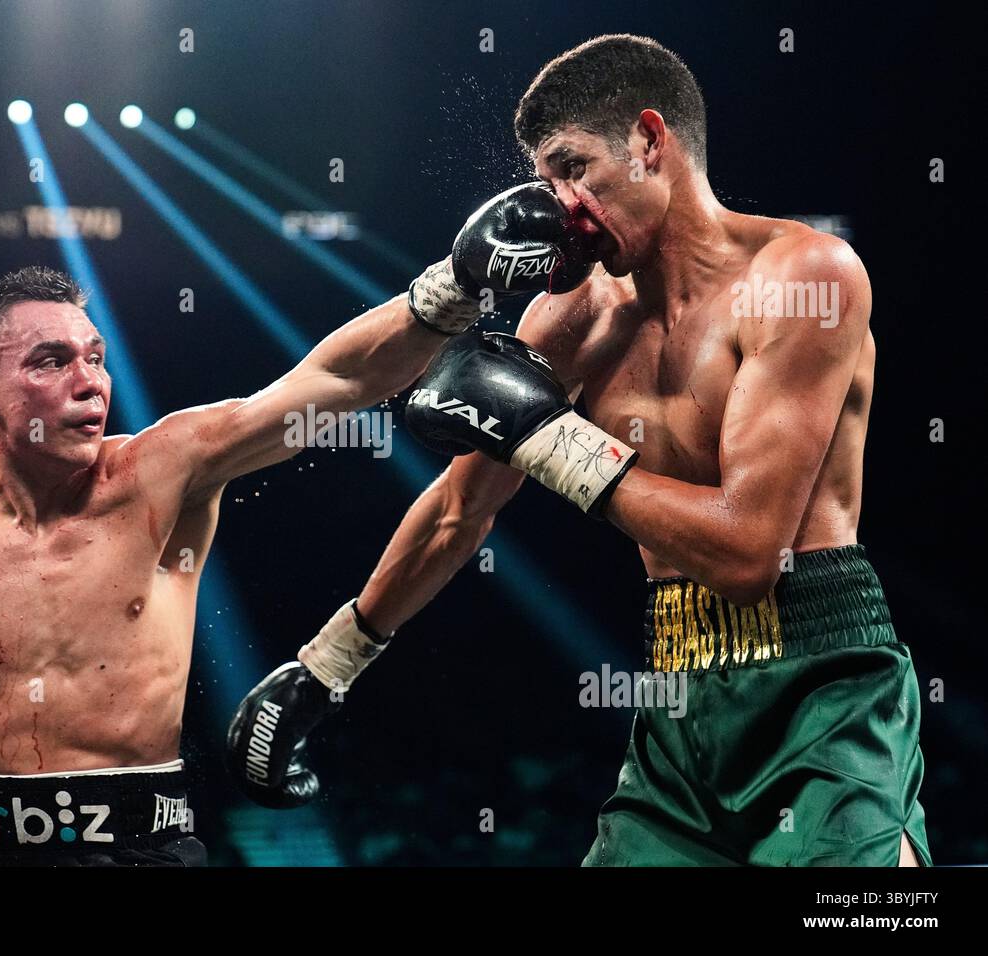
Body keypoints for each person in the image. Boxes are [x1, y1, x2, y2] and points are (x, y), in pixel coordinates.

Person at [226, 34, 931, 867]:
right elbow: (459, 509)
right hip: (678, 694)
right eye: (544, 181)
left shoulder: (805, 275)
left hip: (824, 682)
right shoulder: (572, 320)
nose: (557, 206)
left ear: (648, 140)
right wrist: (329, 664)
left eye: (572, 168)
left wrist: (549, 437)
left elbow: (748, 551)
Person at [0, 175, 593, 866]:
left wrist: (452, 286)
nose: (90, 382)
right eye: (51, 362)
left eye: (96, 358)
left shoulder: (161, 469)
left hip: (143, 848)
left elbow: (333, 383)